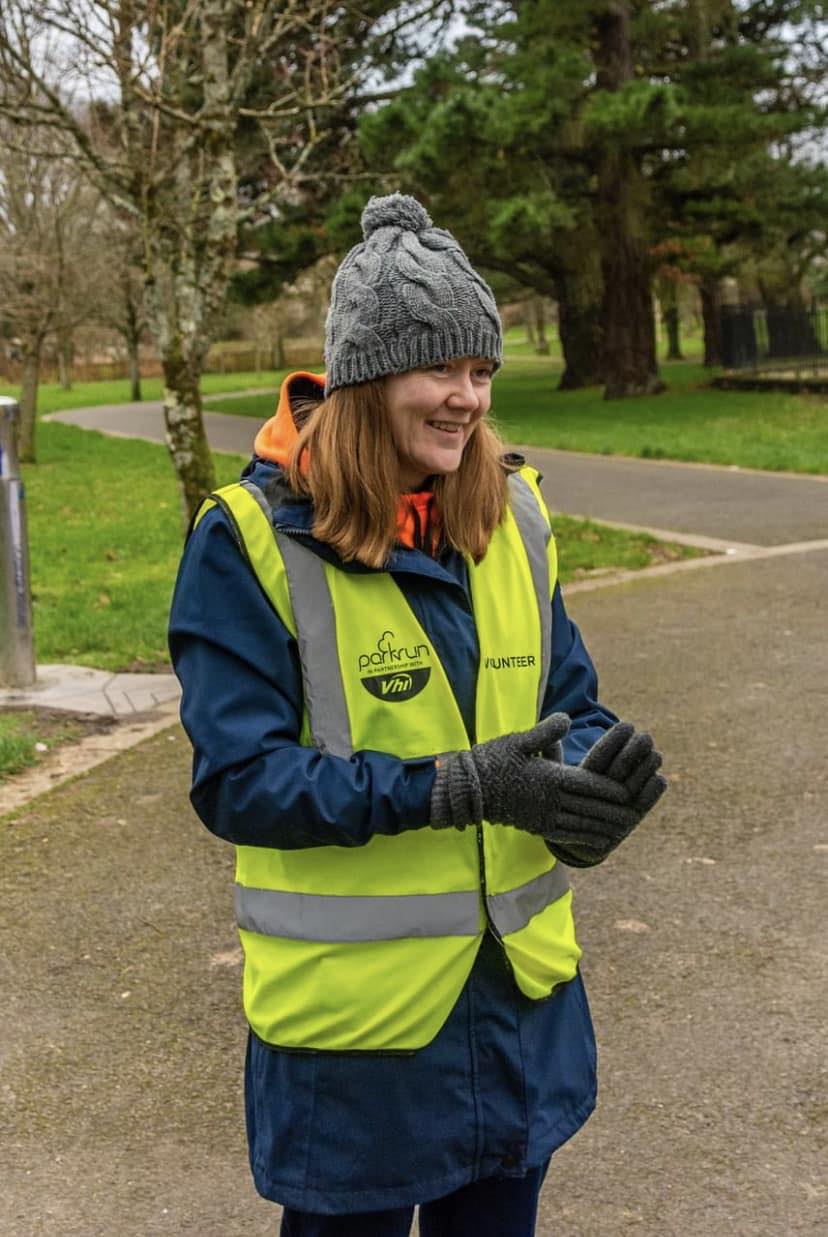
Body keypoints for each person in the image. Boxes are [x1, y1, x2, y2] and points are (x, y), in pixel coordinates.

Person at [169, 192, 667, 1237]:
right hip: (358, 1044)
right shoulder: (250, 540)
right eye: (441, 369)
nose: (468, 398)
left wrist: (587, 785)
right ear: (363, 379)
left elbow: (567, 701)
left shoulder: (515, 513)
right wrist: (455, 787)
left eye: (481, 370)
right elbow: (237, 779)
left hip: (515, 1011)